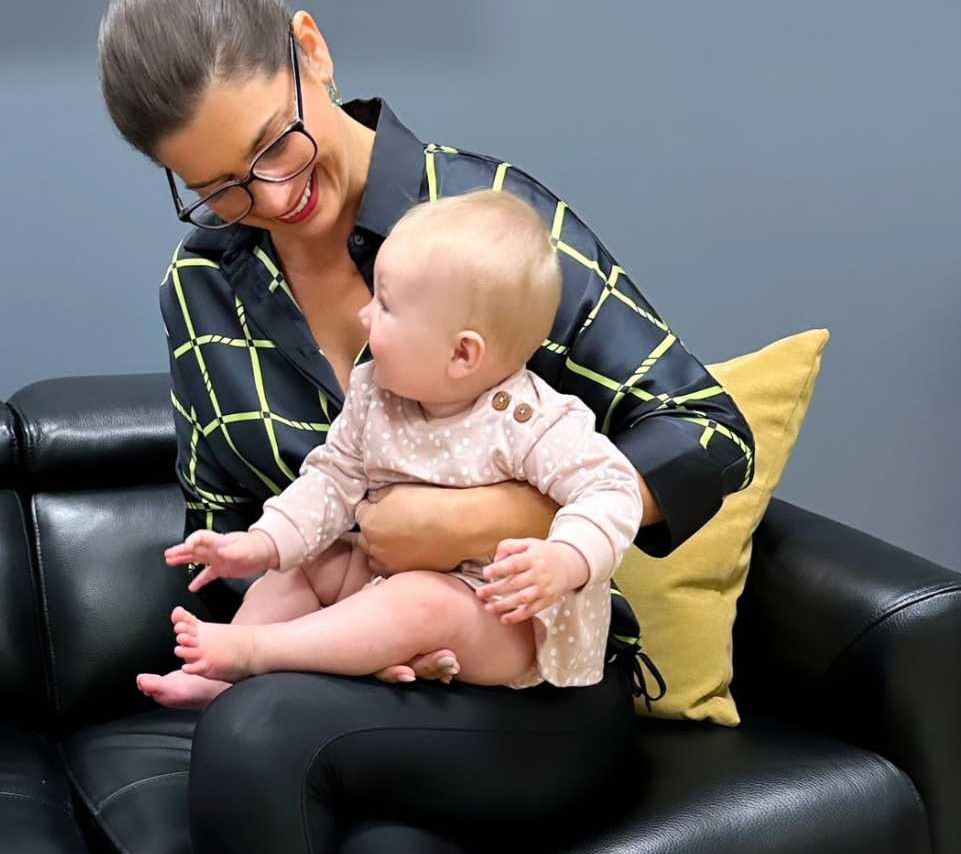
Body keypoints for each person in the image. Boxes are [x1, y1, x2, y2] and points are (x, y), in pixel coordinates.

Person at [98, 0, 754, 854]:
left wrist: (466, 524)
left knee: (254, 732)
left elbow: (708, 433)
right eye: (219, 187)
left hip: (535, 691)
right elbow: (226, 532)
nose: (272, 199)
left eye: (273, 145)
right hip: (360, 699)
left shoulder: (488, 220)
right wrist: (329, 603)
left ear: (311, 51)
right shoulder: (203, 287)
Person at [162, 190, 643, 693]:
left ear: (462, 354)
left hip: (502, 619)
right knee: (305, 567)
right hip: (387, 580)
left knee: (419, 601)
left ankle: (258, 653)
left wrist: (566, 559)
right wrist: (263, 543)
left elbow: (612, 489)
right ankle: (226, 685)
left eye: (386, 305)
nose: (364, 315)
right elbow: (329, 481)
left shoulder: (530, 419)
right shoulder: (374, 394)